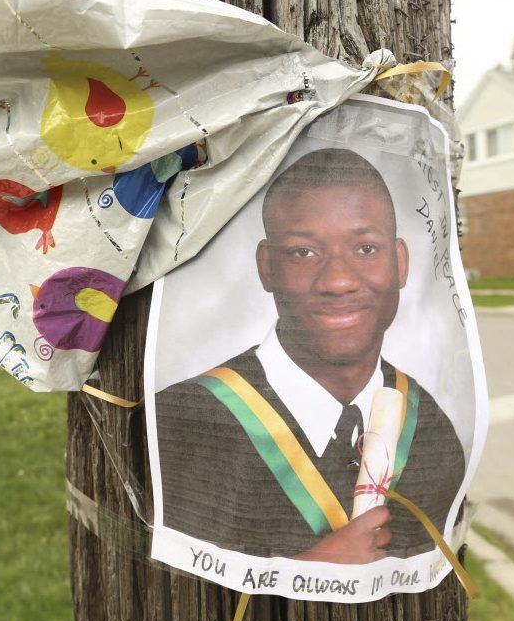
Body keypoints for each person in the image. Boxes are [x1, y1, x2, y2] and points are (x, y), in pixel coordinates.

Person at [154, 148, 465, 562]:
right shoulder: (187, 421)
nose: (338, 281)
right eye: (303, 252)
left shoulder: (432, 430)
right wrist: (314, 566)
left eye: (366, 249)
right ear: (266, 267)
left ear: (400, 262)